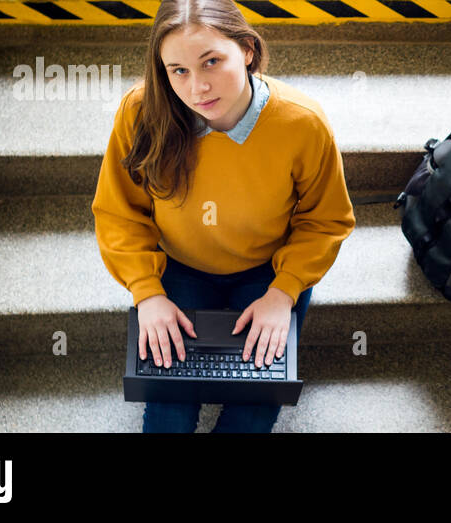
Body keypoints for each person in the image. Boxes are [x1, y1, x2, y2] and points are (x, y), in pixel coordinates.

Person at [91, 0, 355, 433]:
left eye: (211, 62)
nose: (197, 88)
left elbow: (325, 220)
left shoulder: (302, 123)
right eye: (178, 70)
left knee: (253, 408)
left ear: (248, 50)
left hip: (267, 273)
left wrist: (283, 293)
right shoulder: (140, 113)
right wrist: (147, 292)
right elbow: (119, 213)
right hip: (178, 270)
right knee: (167, 416)